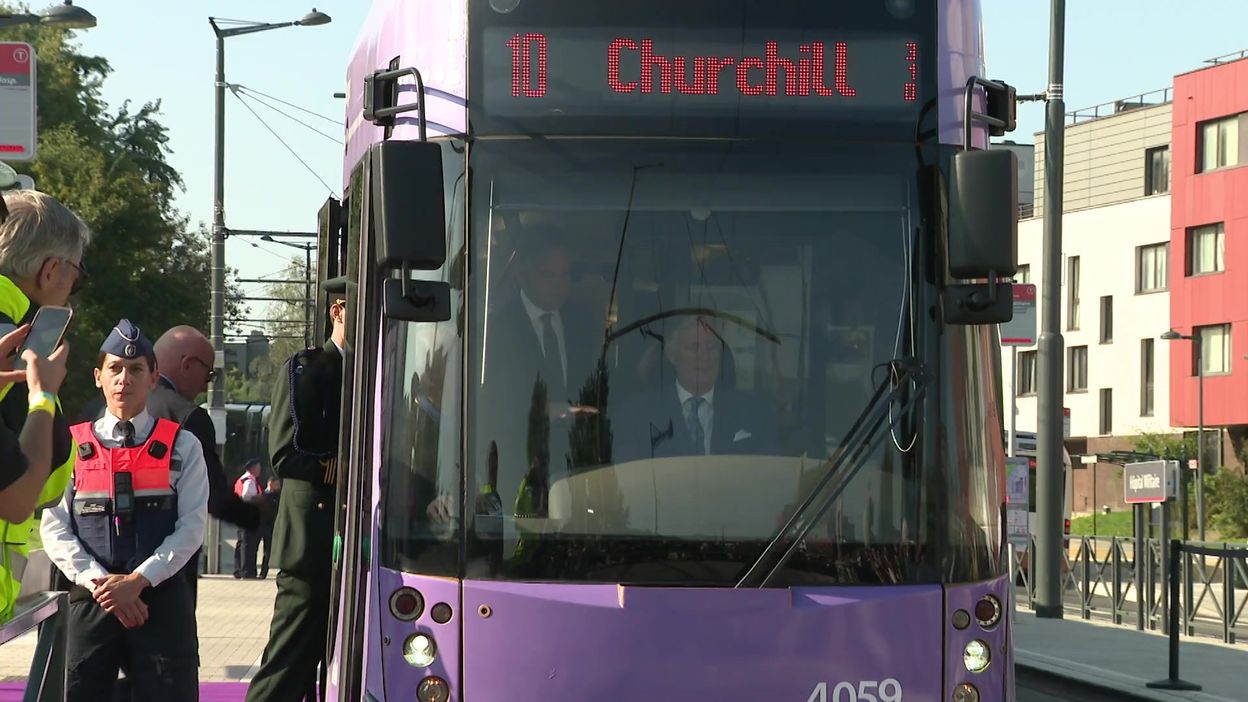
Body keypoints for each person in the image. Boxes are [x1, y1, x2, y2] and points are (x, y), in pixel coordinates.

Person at [40, 320, 208, 700]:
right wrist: (102, 584)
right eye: (115, 368)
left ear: (154, 378)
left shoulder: (184, 447)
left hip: (160, 599)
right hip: (92, 597)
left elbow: (192, 527)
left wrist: (139, 581)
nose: (124, 379)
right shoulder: (69, 446)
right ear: (98, 377)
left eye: (136, 369)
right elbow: (54, 526)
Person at [80, 325, 264, 593]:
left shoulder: (88, 411)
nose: (206, 384)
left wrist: (102, 583)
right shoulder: (190, 417)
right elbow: (211, 498)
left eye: (135, 369)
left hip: (95, 590)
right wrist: (257, 516)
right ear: (188, 364)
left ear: (153, 376)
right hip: (165, 588)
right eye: (209, 374)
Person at [246, 277, 349, 702]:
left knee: (326, 660)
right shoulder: (309, 368)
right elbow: (286, 455)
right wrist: (347, 470)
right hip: (311, 538)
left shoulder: (374, 370)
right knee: (288, 662)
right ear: (337, 312)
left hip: (350, 540)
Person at [0, 189, 91, 622]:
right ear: (51, 270)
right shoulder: (18, 356)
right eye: (77, 274)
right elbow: (30, 490)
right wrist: (45, 396)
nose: (73, 289)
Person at [612, 314, 776, 462]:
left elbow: (769, 476)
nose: (704, 356)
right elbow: (627, 477)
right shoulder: (636, 414)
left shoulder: (754, 413)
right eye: (693, 347)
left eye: (711, 347)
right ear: (672, 354)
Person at [233, 458, 263, 579]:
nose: (260, 470)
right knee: (248, 544)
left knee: (241, 543)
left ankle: (238, 569)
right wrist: (258, 498)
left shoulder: (241, 479)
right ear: (253, 468)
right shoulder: (250, 481)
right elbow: (246, 496)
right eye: (258, 467)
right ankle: (247, 571)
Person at [259, 477, 281, 579]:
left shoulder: (277, 496)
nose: (278, 487)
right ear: (270, 484)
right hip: (260, 525)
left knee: (267, 551)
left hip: (271, 527)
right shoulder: (262, 494)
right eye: (277, 484)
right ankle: (250, 570)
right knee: (253, 548)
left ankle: (263, 573)